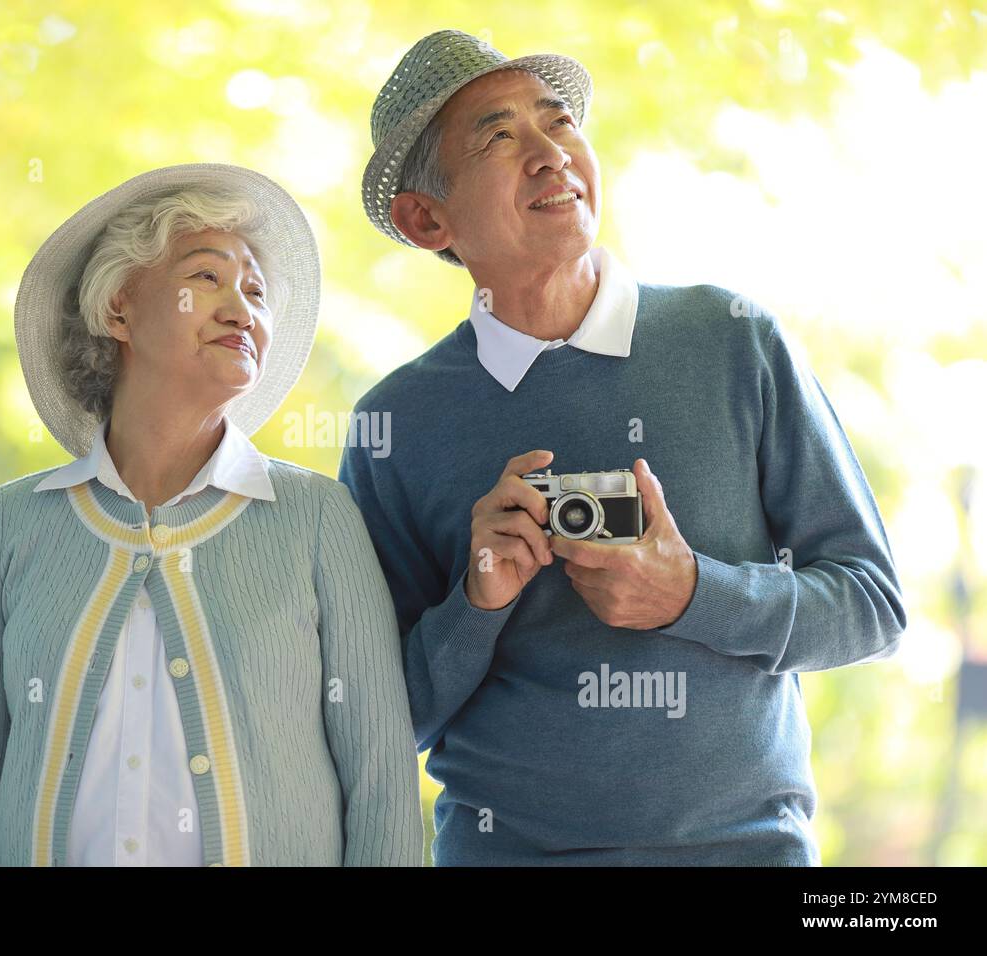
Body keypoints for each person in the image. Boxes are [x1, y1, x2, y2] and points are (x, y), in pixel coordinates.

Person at [340, 30, 906, 865]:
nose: (549, 154)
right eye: (497, 136)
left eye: (559, 122)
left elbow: (871, 608)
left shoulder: (733, 340)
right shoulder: (396, 424)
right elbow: (382, 723)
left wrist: (692, 594)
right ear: (426, 218)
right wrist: (478, 602)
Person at [0, 163, 422, 866]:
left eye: (256, 291)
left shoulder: (316, 520)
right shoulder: (8, 527)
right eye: (207, 277)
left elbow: (383, 791)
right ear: (118, 308)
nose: (243, 309)